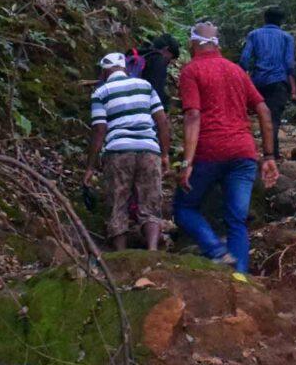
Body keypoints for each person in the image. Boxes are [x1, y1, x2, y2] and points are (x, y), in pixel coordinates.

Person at [174, 21, 280, 271]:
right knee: (237, 220)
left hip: (210, 151)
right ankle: (240, 277)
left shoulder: (191, 71)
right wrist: (269, 156)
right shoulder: (236, 71)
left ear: (194, 43)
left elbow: (192, 116)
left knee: (183, 208)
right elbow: (263, 110)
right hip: (243, 152)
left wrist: (187, 162)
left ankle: (216, 250)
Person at [82, 52, 171, 252]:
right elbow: (162, 121)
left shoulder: (100, 92)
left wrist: (90, 166)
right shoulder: (146, 86)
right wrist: (165, 154)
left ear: (105, 70)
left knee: (117, 203)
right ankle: (152, 250)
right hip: (149, 150)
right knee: (150, 203)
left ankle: (121, 255)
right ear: (124, 68)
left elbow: (99, 130)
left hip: (118, 152)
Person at [238, 6, 296, 158]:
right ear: (281, 21)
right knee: (274, 118)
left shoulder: (254, 34)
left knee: (258, 115)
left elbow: (244, 60)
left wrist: (244, 78)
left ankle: (253, 151)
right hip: (278, 81)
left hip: (258, 81)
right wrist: (293, 88)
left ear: (265, 19)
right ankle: (272, 154)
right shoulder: (287, 38)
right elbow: (289, 64)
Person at [141, 33, 178, 105]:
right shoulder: (158, 61)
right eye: (170, 58)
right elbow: (157, 91)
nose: (169, 62)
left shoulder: (143, 53)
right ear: (166, 49)